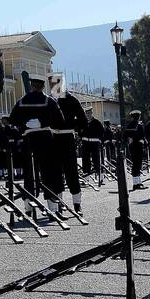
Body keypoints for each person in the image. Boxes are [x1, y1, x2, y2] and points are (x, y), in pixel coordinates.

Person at [9, 73, 66, 214]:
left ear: (32, 85)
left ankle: (28, 207)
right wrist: (43, 122)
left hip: (28, 140)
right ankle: (52, 208)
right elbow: (60, 121)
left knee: (29, 173)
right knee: (49, 173)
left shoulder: (21, 101)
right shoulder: (50, 101)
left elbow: (12, 119)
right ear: (42, 86)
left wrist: (24, 125)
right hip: (45, 139)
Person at [54, 78, 87, 212]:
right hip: (61, 137)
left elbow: (82, 119)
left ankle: (69, 203)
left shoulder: (56, 100)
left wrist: (74, 128)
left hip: (60, 137)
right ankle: (70, 203)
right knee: (65, 172)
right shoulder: (56, 100)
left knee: (65, 171)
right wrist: (76, 128)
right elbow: (82, 120)